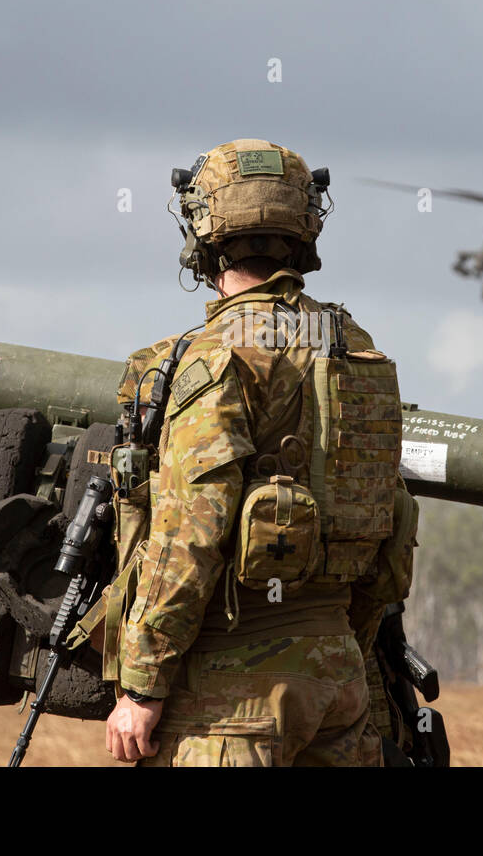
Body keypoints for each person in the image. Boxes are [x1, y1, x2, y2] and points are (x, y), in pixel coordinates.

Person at [102, 138, 415, 767]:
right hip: (340, 683)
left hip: (232, 701)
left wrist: (142, 684)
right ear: (305, 227)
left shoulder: (214, 356)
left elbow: (192, 527)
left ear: (202, 230)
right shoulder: (359, 352)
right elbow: (386, 519)